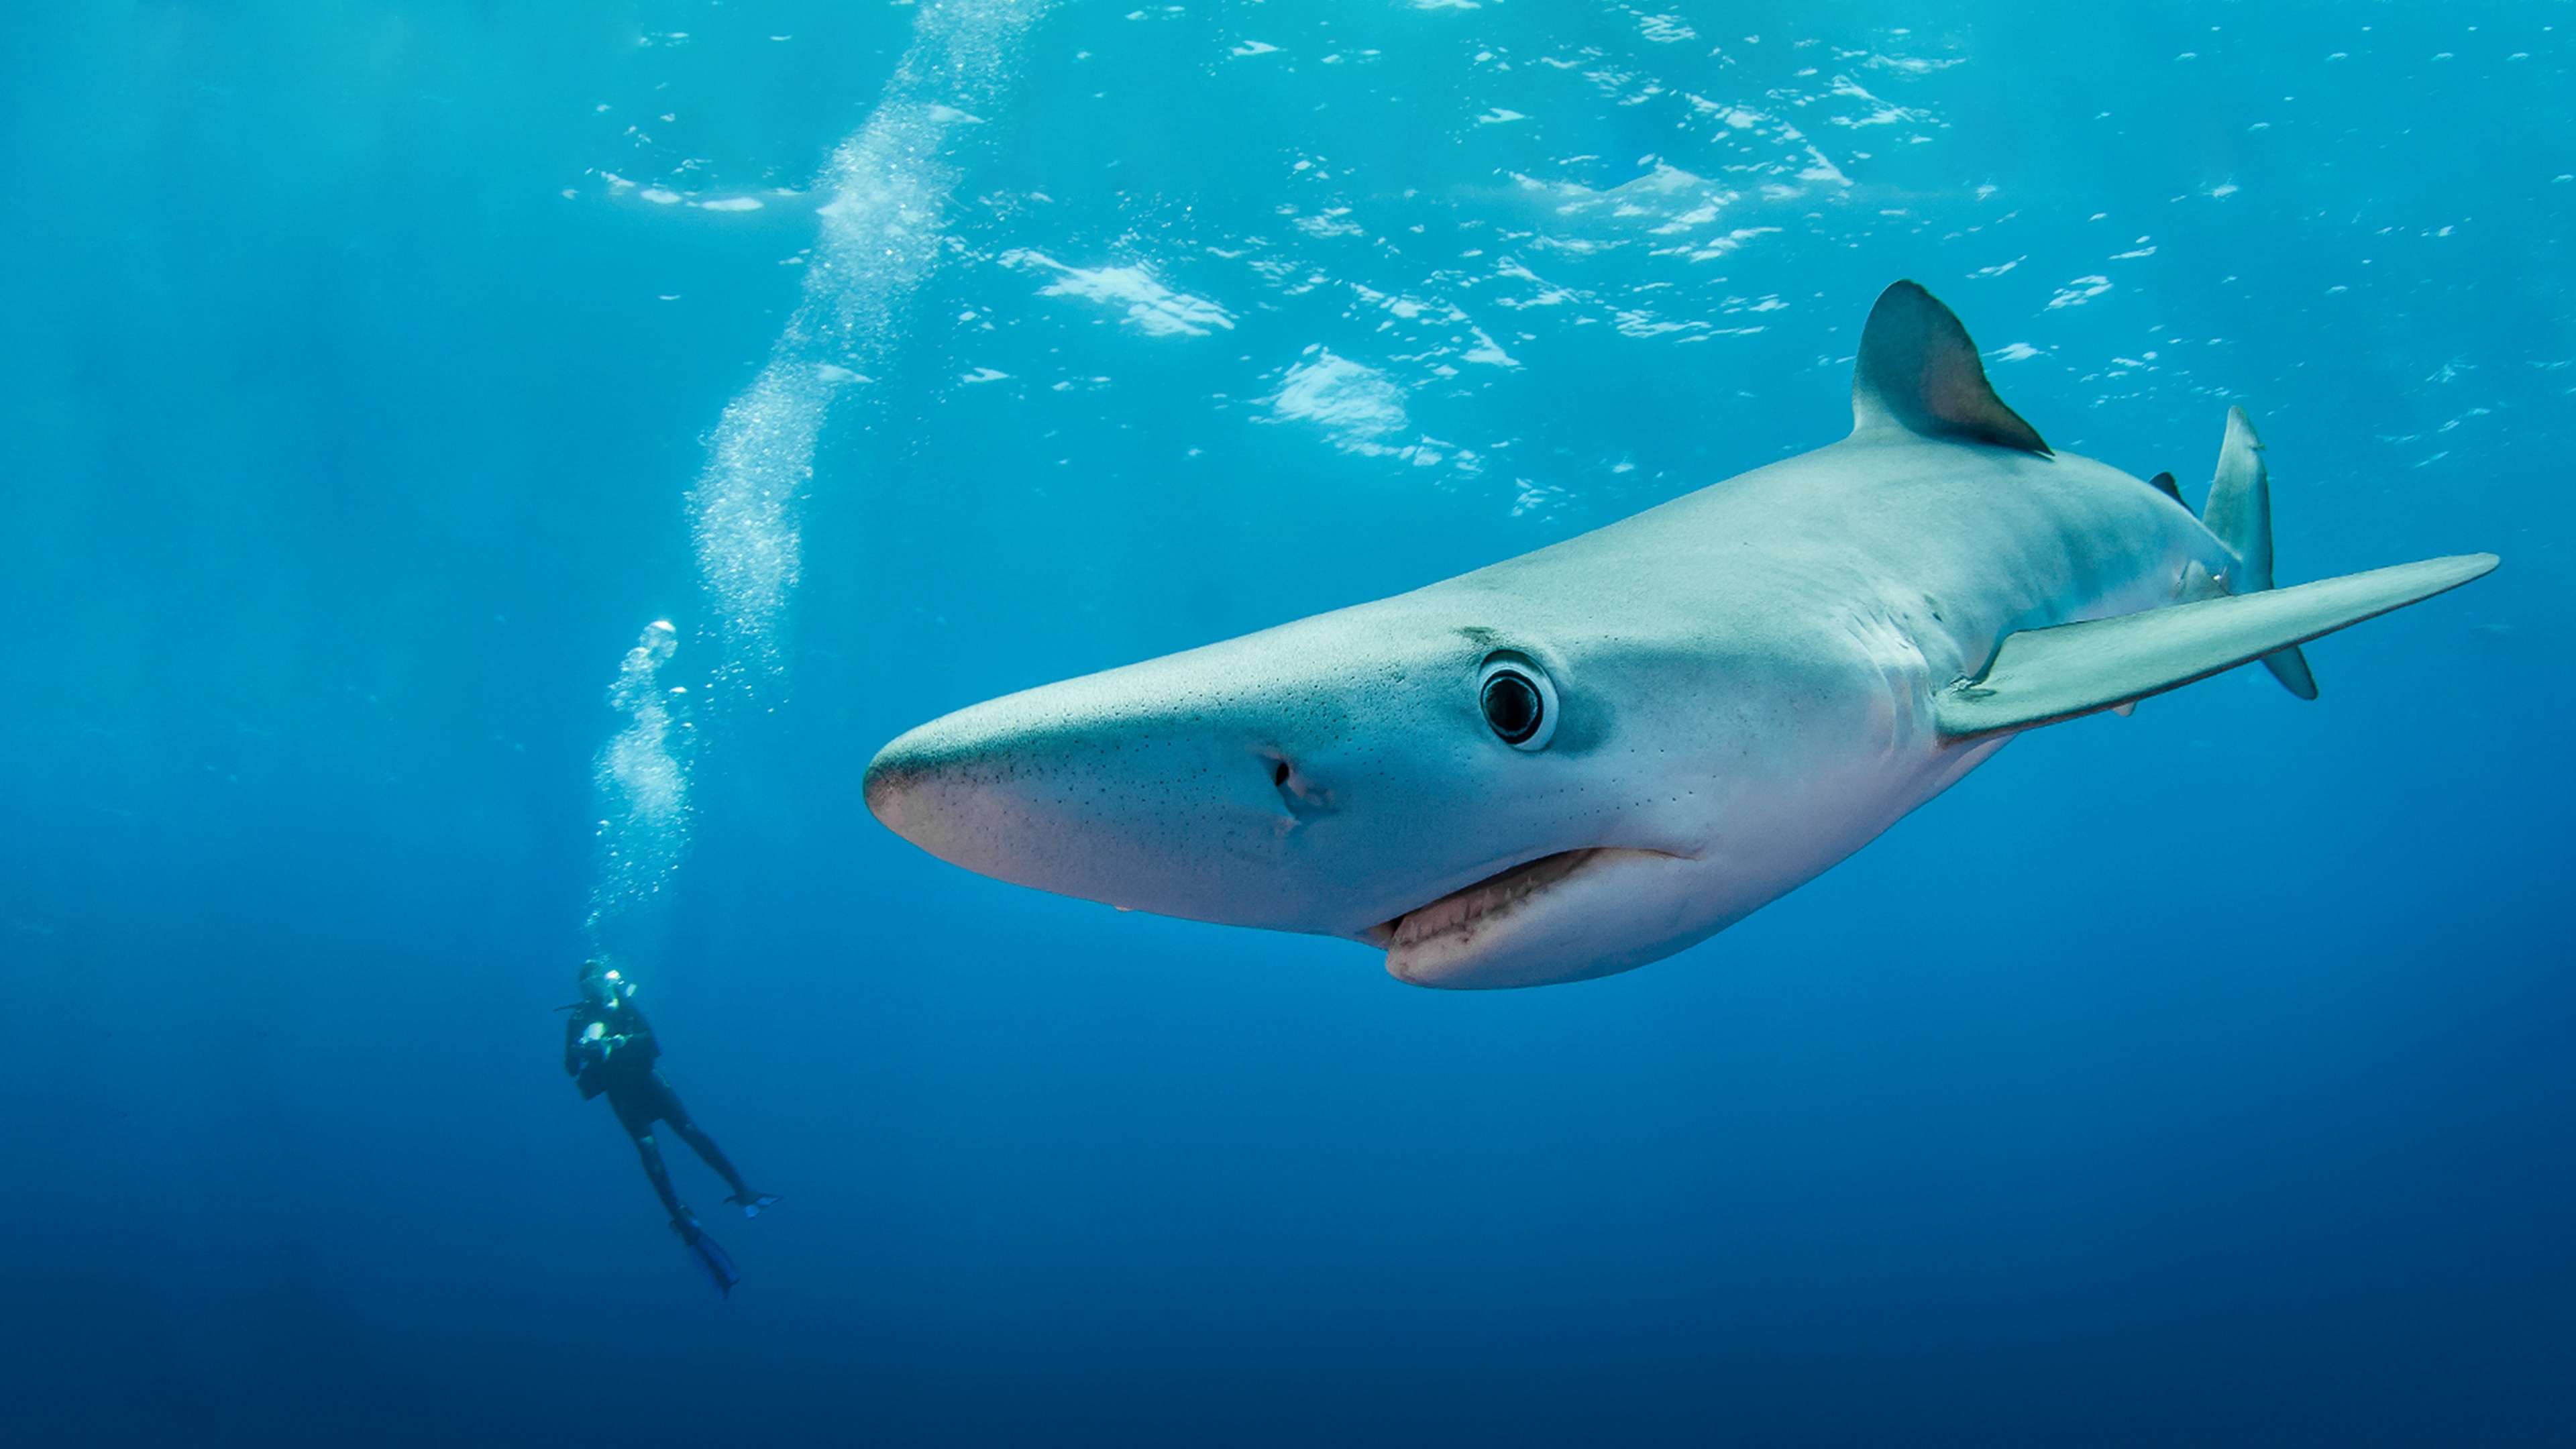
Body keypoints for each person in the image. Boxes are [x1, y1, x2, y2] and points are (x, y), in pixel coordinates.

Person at [565, 959, 777, 1295]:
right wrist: (581, 1049)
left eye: (595, 980)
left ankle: (742, 1188)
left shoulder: (623, 1004)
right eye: (586, 984)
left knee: (691, 1132)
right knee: (649, 1151)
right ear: (582, 990)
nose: (592, 988)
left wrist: (620, 1042)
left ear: (604, 980)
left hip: (648, 1082)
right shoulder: (579, 1019)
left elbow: (651, 1040)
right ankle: (680, 1217)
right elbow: (570, 1066)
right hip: (622, 1094)